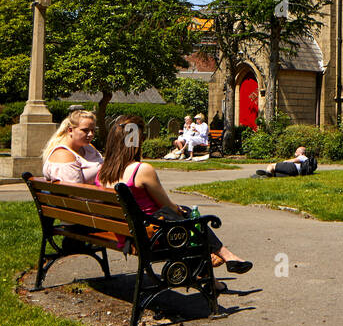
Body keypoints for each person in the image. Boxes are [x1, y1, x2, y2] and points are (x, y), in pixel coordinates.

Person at [96, 115, 252, 273]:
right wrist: (180, 211)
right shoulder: (140, 170)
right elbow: (167, 206)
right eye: (142, 137)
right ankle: (225, 256)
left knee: (186, 218)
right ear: (135, 141)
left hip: (124, 233)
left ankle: (216, 271)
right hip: (150, 234)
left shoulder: (102, 172)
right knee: (188, 217)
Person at [42, 110, 103, 183]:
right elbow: (74, 191)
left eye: (93, 131)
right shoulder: (63, 155)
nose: (90, 134)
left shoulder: (88, 148)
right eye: (85, 130)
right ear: (70, 130)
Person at [253, 146, 317, 178]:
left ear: (301, 152)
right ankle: (264, 175)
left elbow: (294, 161)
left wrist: (285, 161)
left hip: (293, 167)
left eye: (296, 151)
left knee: (271, 165)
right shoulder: (307, 160)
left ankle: (267, 172)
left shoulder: (302, 156)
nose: (295, 152)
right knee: (276, 174)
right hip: (296, 172)